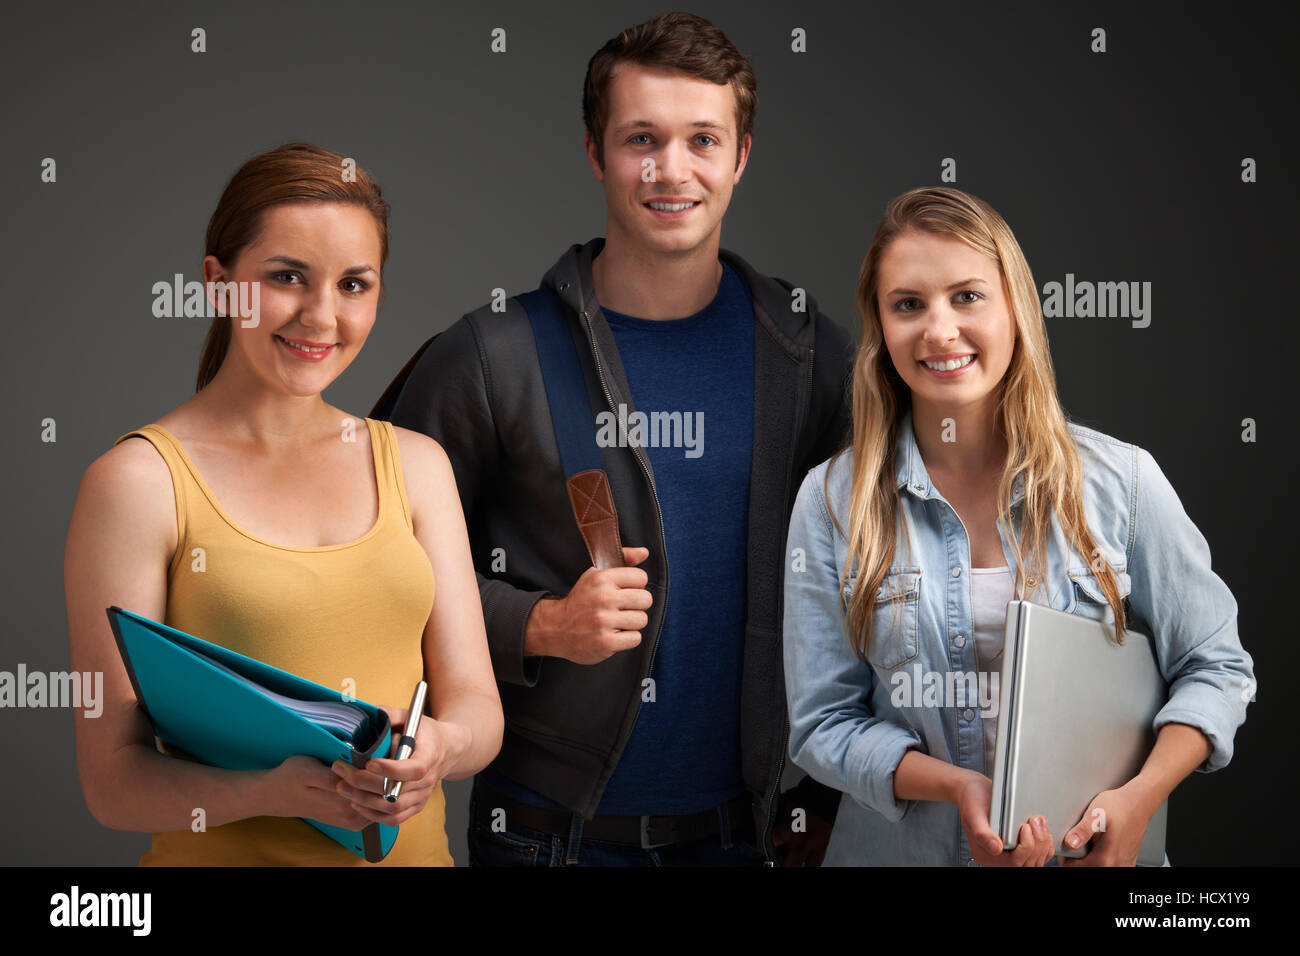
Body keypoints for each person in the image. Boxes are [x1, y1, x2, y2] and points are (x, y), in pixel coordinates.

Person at [372, 12, 852, 866]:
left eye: (703, 139)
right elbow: (374, 574)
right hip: (540, 836)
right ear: (595, 153)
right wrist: (540, 622)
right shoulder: (494, 354)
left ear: (741, 157)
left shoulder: (808, 353)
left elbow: (881, 577)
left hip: (750, 838)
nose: (672, 171)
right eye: (641, 139)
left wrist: (822, 796)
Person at [782, 186, 1255, 866]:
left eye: (967, 296)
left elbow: (1218, 669)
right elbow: (822, 725)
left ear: (1016, 309)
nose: (939, 330)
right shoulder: (831, 501)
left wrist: (1140, 799)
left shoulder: (1121, 483)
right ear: (881, 326)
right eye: (908, 304)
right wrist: (958, 788)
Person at [64, 143, 502, 865]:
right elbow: (111, 781)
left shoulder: (418, 466)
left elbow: (478, 711)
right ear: (217, 283)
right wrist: (268, 792)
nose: (321, 317)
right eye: (287, 277)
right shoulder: (136, 483)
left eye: (354, 284)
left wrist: (440, 747)